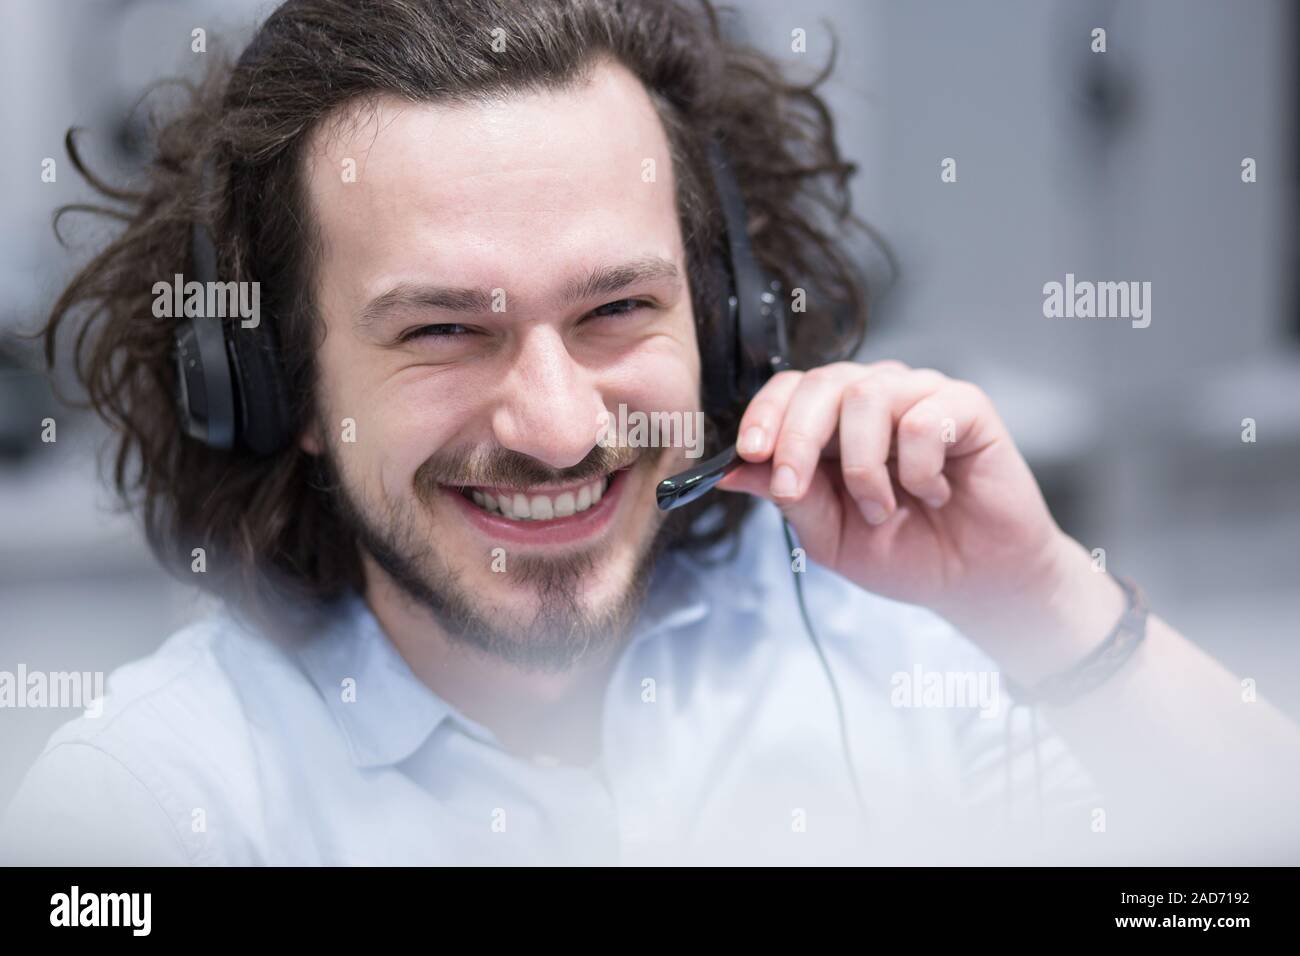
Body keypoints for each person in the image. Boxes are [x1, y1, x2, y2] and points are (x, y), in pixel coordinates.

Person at [3, 0, 1297, 865]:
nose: (560, 429)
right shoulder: (154, 805)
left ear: (727, 323)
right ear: (276, 386)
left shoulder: (901, 653)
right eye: (444, 331)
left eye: (619, 307)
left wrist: (1039, 601)